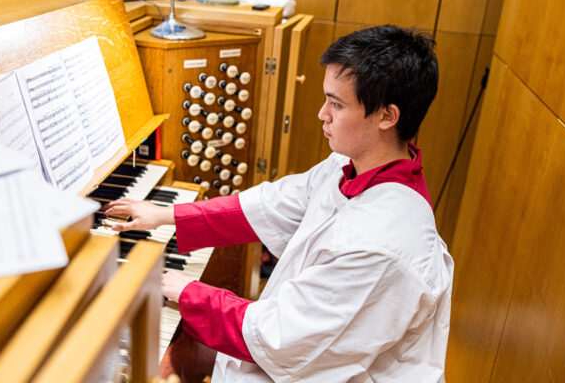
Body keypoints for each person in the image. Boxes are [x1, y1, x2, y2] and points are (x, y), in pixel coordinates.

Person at [104, 25, 453, 382]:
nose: (322, 114)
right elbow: (269, 206)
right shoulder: (351, 167)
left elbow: (280, 337)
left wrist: (183, 290)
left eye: (336, 104)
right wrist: (165, 214)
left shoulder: (381, 246)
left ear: (386, 116)